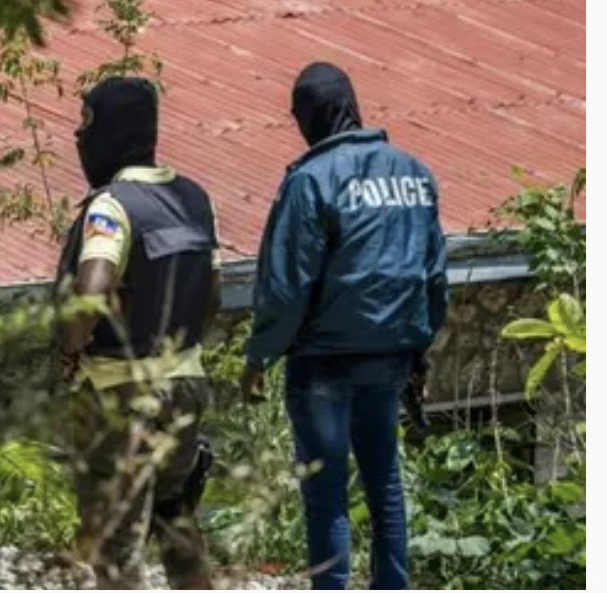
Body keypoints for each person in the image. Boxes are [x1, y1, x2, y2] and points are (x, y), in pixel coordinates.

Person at [239, 62, 449, 590]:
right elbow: (433, 276)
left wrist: (259, 355)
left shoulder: (310, 181)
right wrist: (418, 350)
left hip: (323, 362)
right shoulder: (415, 173)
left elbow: (287, 286)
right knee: (386, 487)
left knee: (326, 497)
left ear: (310, 116)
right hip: (390, 357)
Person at [56, 76, 220, 590]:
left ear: (112, 131)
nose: (79, 138)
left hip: (119, 394)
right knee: (176, 521)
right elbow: (212, 299)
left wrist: (69, 348)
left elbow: (92, 289)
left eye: (86, 124)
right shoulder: (195, 198)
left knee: (115, 544)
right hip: (187, 386)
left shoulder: (111, 206)